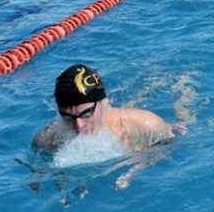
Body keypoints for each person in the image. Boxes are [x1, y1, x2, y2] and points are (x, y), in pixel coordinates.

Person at [33, 65, 184, 186]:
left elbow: (174, 141)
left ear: (104, 103)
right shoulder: (45, 139)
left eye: (86, 114)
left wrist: (144, 159)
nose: (79, 126)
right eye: (67, 117)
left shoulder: (146, 124)